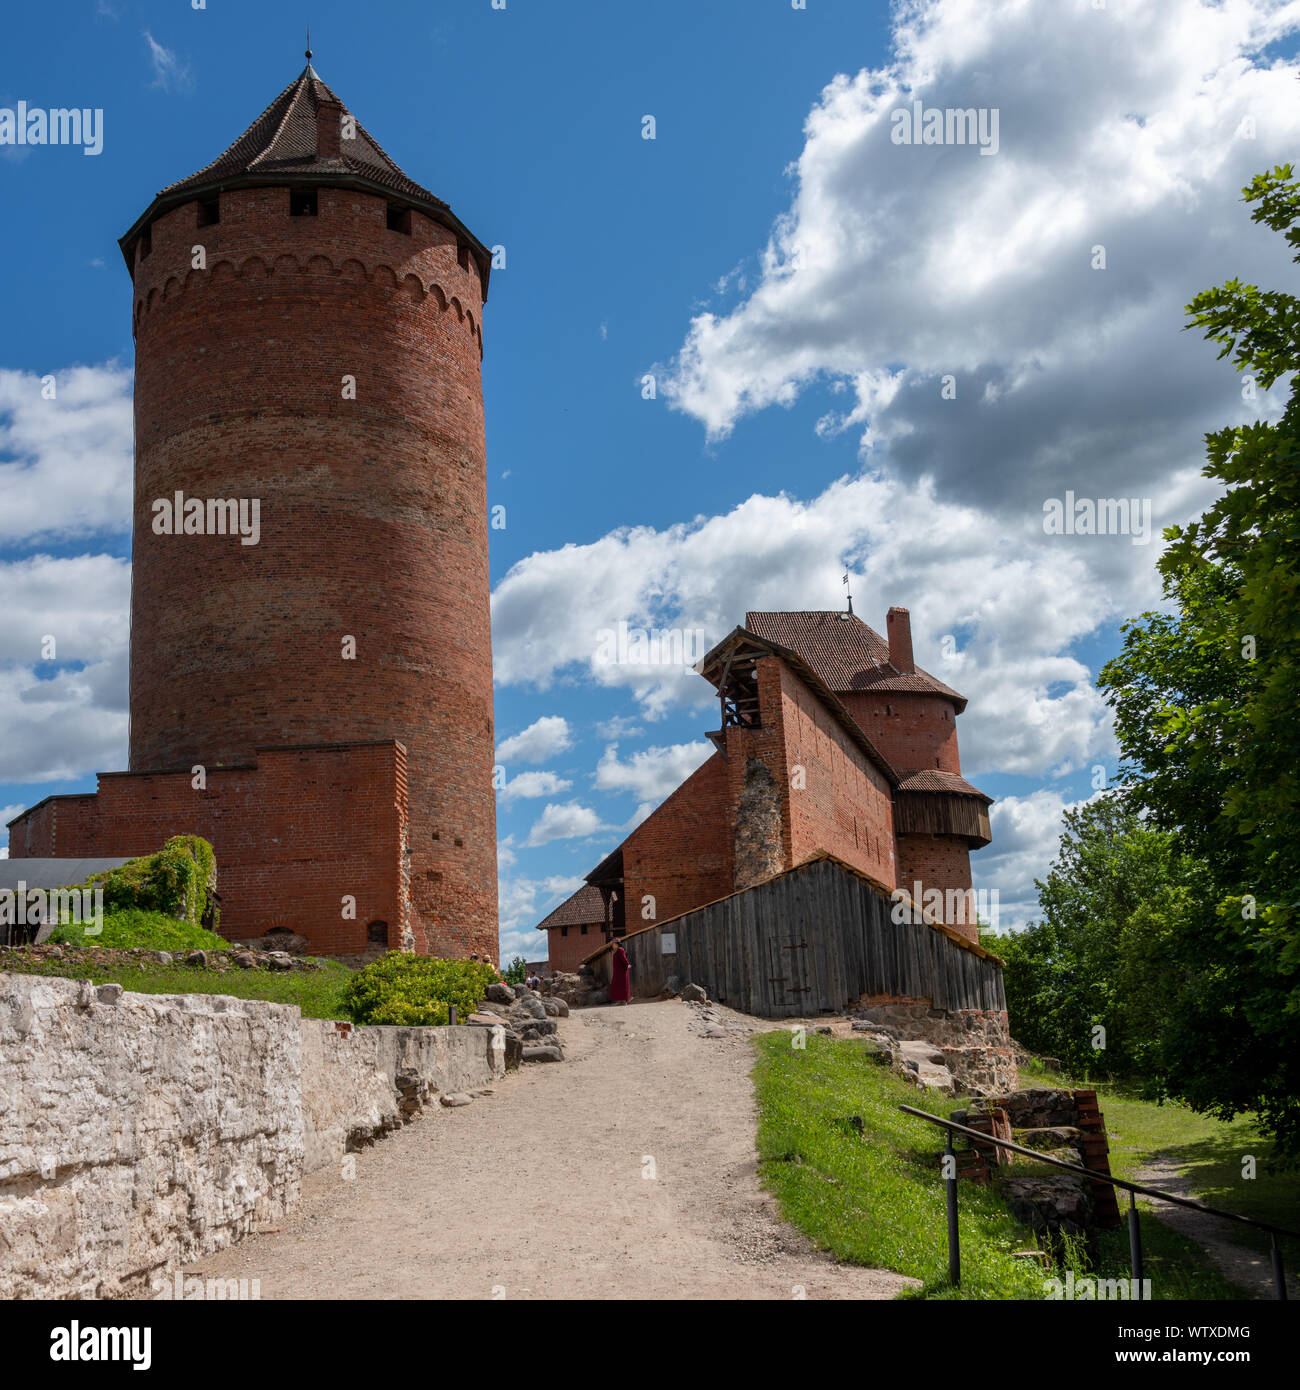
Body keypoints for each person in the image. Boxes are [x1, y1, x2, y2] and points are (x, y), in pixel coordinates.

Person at [609, 940, 631, 1005]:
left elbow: (623, 958)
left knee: (622, 986)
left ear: (616, 944)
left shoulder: (620, 950)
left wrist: (627, 965)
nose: (612, 946)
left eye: (613, 944)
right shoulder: (617, 951)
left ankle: (624, 1001)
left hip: (622, 972)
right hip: (618, 972)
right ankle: (622, 1000)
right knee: (617, 986)